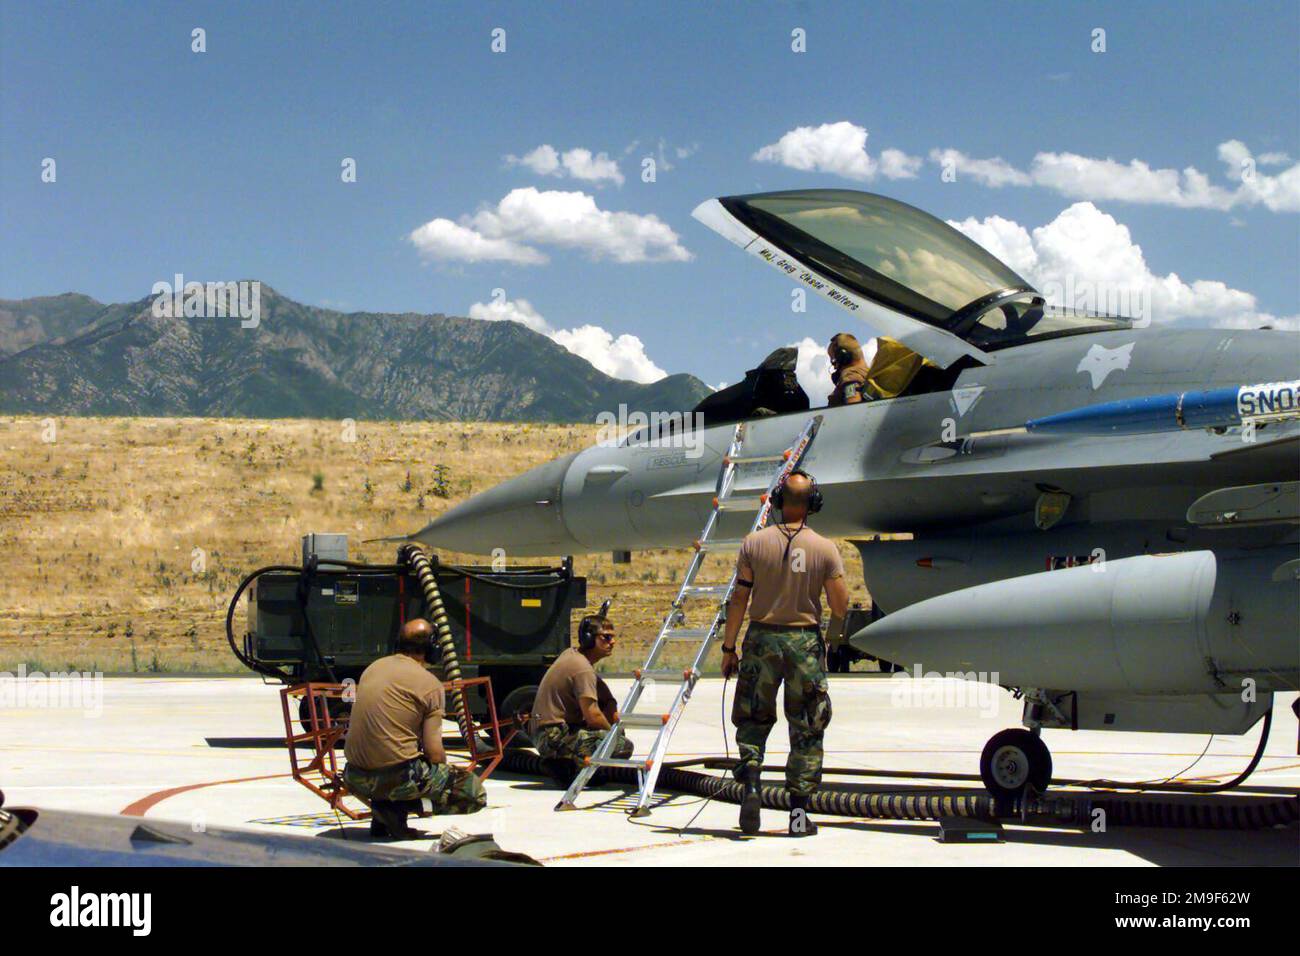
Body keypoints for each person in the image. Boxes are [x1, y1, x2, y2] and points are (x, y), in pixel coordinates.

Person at [720, 470, 850, 836]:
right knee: (807, 726)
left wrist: (730, 648)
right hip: (803, 644)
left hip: (760, 639)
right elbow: (840, 608)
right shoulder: (825, 548)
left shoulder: (753, 544)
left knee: (752, 719)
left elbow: (739, 599)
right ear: (813, 503)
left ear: (778, 501)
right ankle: (798, 815)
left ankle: (752, 786)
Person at [343, 618, 486, 839]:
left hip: (354, 777)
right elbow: (435, 753)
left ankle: (383, 815)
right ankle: (394, 810)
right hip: (394, 778)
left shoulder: (373, 668)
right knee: (473, 793)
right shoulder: (429, 684)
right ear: (430, 648)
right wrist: (440, 778)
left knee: (397, 760)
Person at [529, 612, 633, 784]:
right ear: (589, 639)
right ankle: (568, 768)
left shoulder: (572, 655)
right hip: (552, 737)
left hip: (544, 733)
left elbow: (600, 689)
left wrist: (610, 703)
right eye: (606, 637)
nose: (612, 642)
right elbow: (593, 716)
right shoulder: (583, 668)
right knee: (623, 745)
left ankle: (566, 764)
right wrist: (614, 733)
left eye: (613, 637)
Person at [826, 332, 871, 406]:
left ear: (843, 357)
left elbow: (853, 407)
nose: (834, 367)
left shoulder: (850, 376)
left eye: (834, 361)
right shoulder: (867, 372)